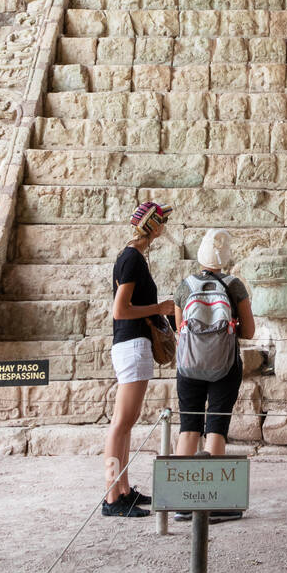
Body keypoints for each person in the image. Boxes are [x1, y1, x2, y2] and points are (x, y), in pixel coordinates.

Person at [172, 229, 254, 523]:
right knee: (216, 426)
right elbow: (250, 331)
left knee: (188, 427)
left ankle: (180, 501)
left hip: (189, 366)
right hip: (225, 365)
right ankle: (213, 501)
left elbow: (180, 328)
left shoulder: (185, 285)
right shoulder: (235, 285)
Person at [103, 202, 175, 517]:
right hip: (131, 343)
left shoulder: (133, 256)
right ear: (153, 226)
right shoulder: (132, 258)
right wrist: (160, 309)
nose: (165, 227)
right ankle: (111, 497)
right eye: (162, 222)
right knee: (120, 423)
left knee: (127, 423)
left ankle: (124, 490)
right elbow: (121, 310)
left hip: (134, 344)